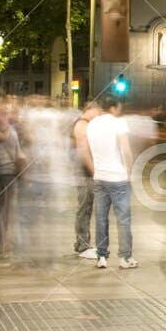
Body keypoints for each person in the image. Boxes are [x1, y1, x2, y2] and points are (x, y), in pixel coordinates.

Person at [80, 95, 136, 270]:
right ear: (113, 108)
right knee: (123, 219)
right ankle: (125, 258)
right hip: (118, 177)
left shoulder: (92, 125)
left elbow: (86, 150)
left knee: (101, 218)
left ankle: (102, 257)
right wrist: (130, 171)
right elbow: (126, 150)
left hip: (100, 177)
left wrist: (96, 169)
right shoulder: (119, 123)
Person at [0, 107, 23, 257]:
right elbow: (19, 155)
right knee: (5, 211)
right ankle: (3, 241)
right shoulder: (12, 133)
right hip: (9, 175)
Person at [70, 100, 99, 258]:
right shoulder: (82, 125)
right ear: (91, 109)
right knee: (84, 208)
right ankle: (83, 245)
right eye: (97, 112)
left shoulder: (84, 124)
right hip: (84, 172)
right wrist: (94, 172)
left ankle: (81, 243)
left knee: (86, 207)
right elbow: (84, 152)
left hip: (84, 171)